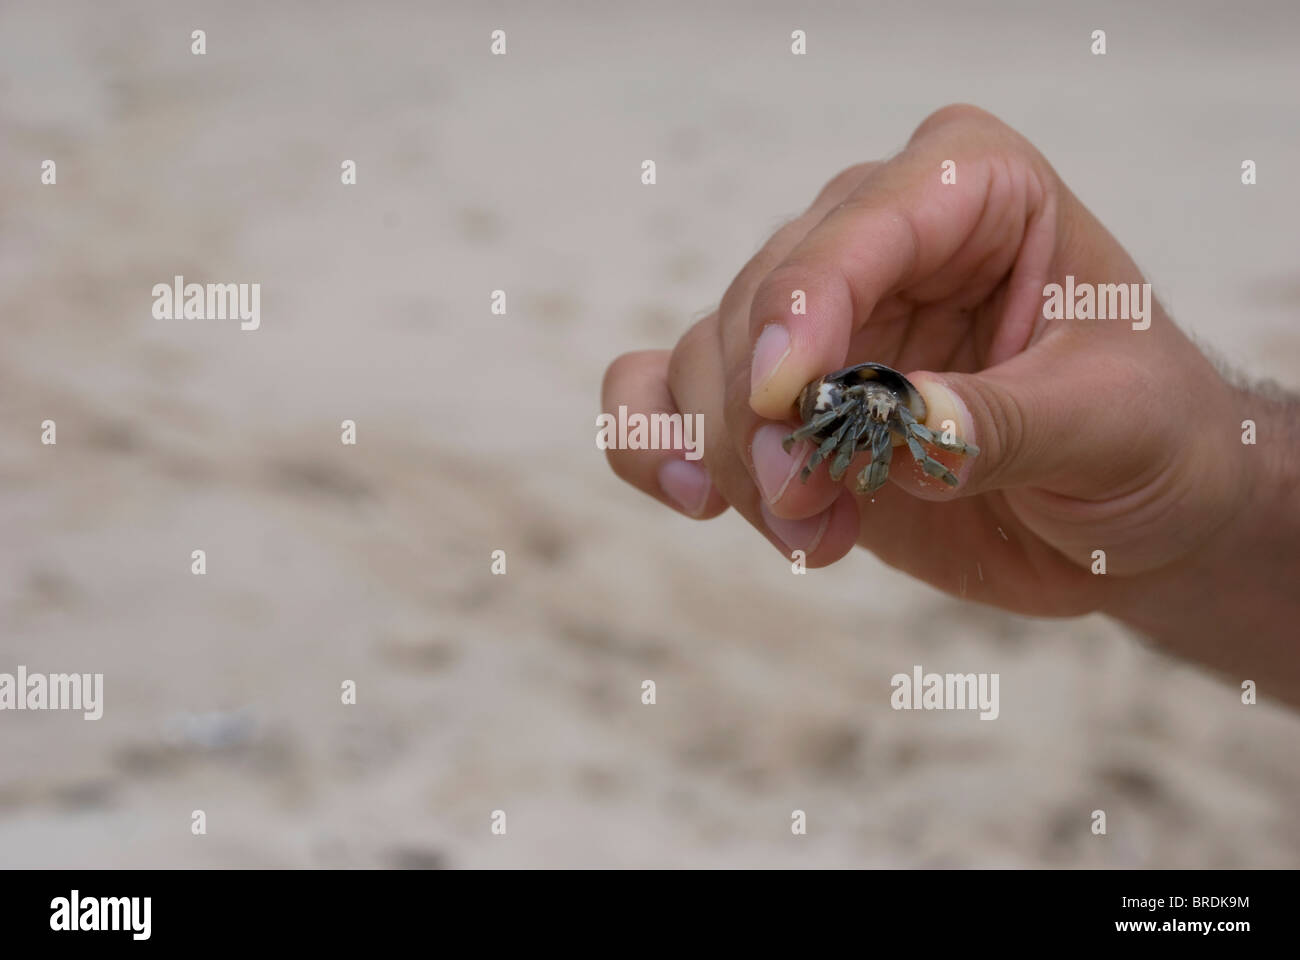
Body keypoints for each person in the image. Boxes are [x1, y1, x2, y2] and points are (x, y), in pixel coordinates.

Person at [601, 105, 1300, 708]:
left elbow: (923, 420)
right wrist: (1228, 515)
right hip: (860, 398)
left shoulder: (905, 407)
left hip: (884, 401)